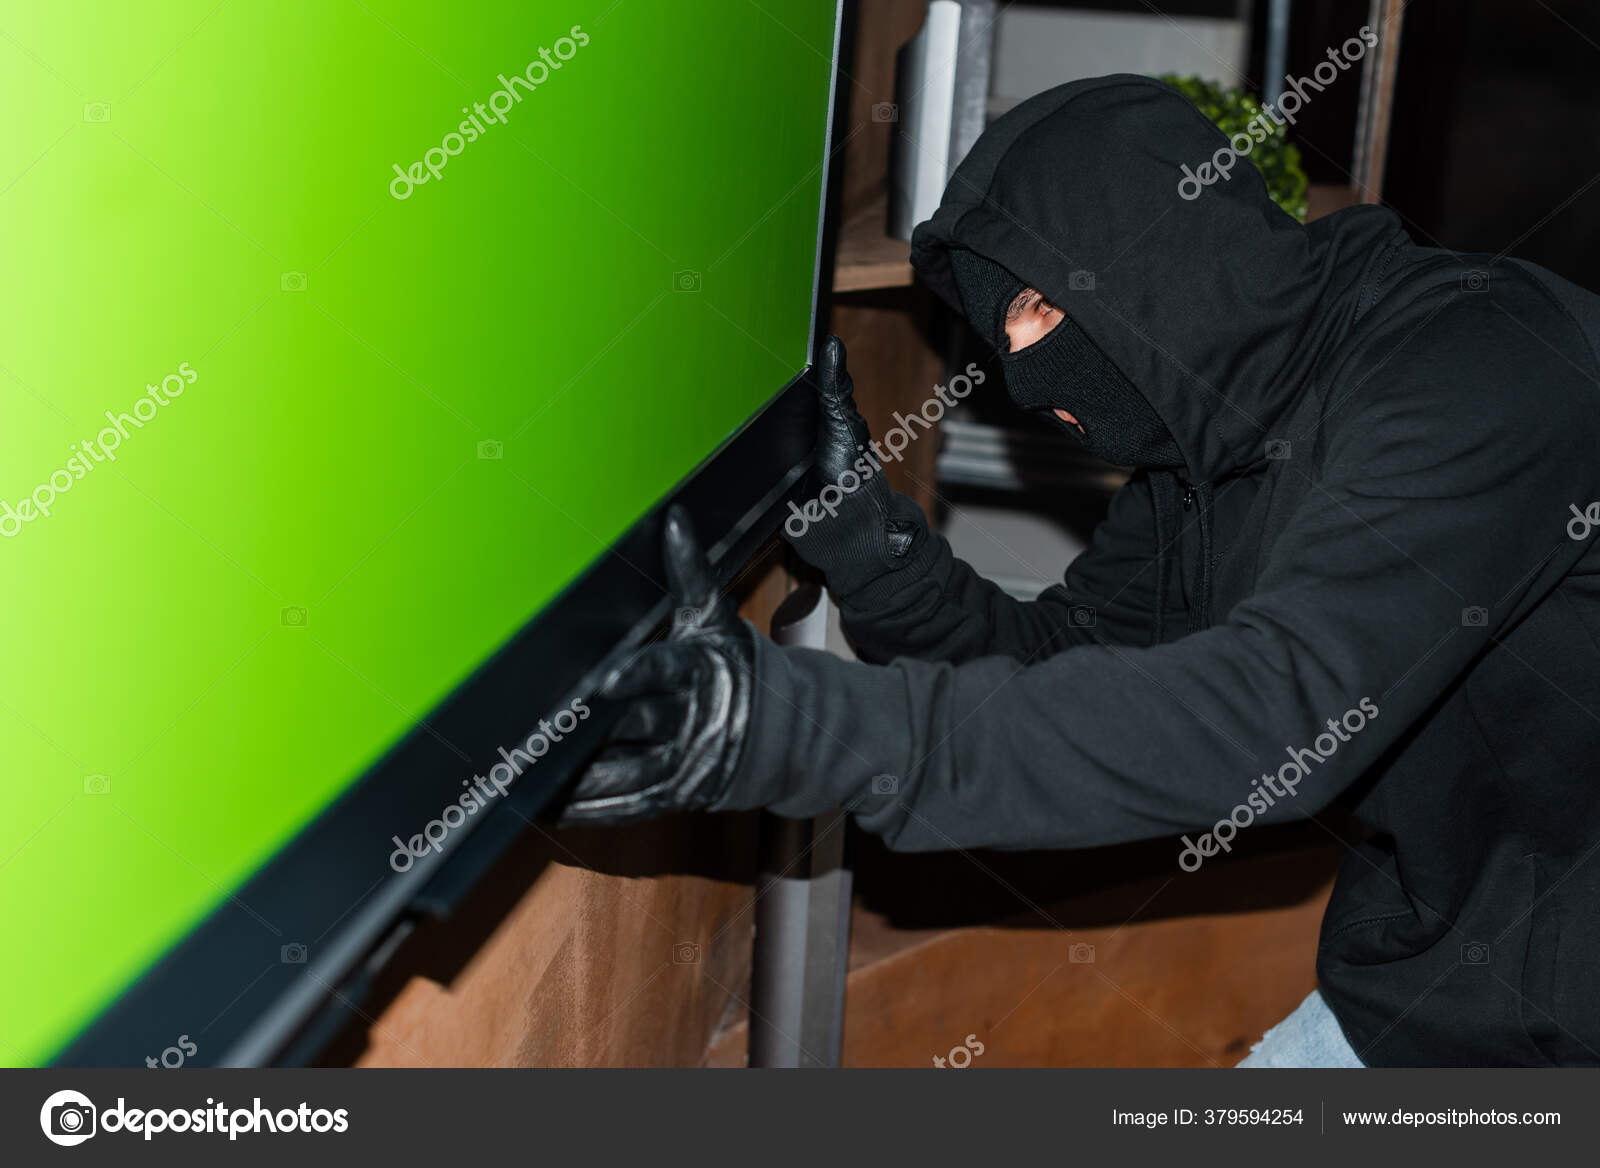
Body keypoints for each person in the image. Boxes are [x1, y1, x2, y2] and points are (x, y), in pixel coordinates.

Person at [560, 75, 1600, 1067]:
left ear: (1160, 245)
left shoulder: (1480, 362)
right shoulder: (1204, 458)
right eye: (999, 333)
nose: (1022, 379)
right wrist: (860, 536)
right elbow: (1055, 659)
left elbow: (1270, 718)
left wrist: (783, 727)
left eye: (1039, 309)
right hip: (1450, 981)